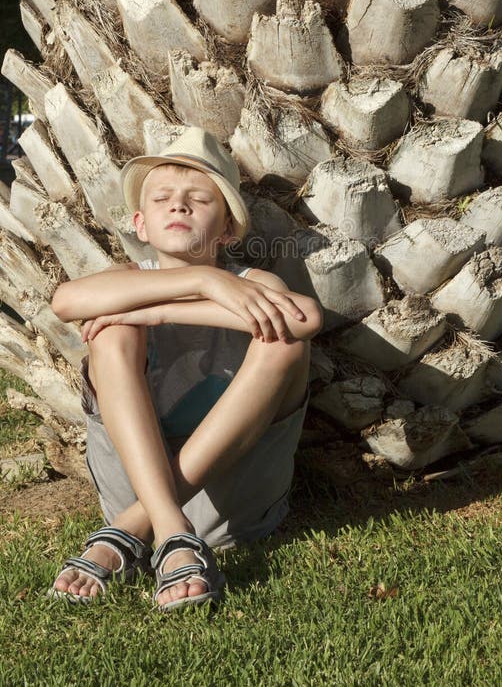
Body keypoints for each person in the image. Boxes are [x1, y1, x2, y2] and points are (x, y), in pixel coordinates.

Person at [48, 127, 323, 611]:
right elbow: (66, 301)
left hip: (231, 501)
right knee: (111, 332)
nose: (179, 206)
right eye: (163, 199)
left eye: (197, 198)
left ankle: (133, 532)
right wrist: (200, 280)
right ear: (140, 224)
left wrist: (164, 310)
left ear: (226, 230)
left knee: (282, 343)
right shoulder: (127, 279)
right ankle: (172, 532)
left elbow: (306, 318)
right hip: (135, 483)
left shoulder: (250, 281)